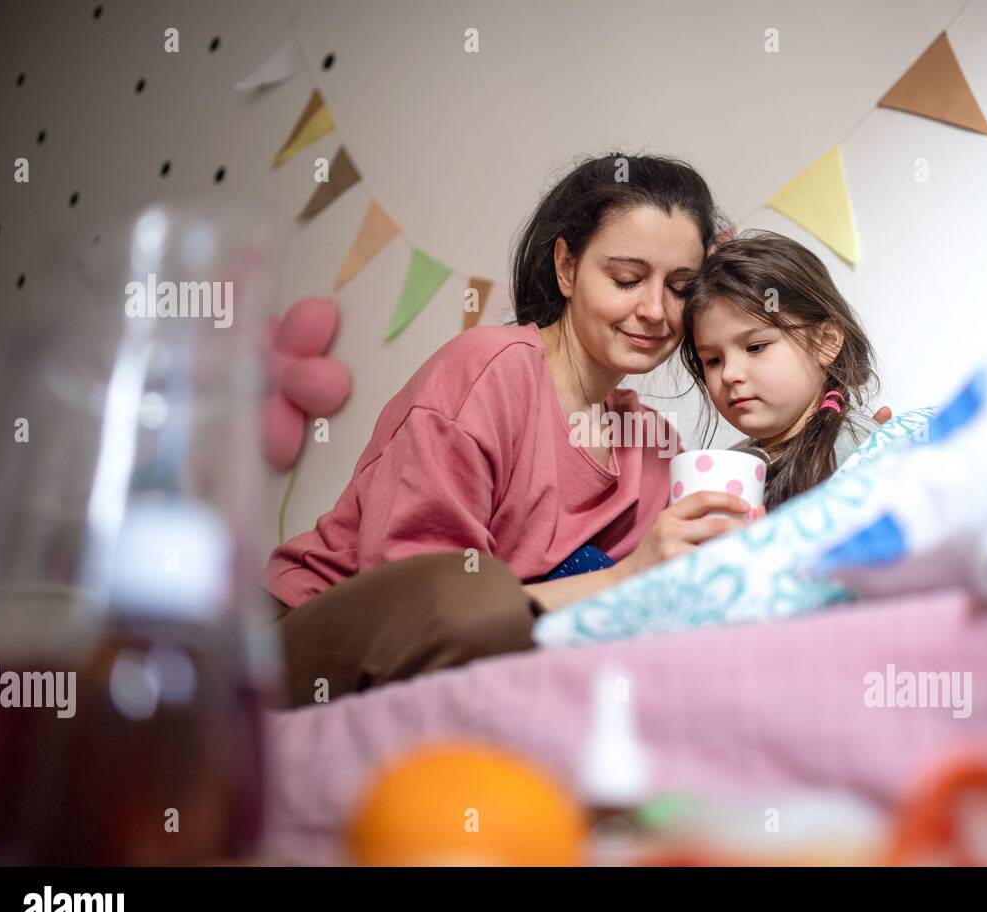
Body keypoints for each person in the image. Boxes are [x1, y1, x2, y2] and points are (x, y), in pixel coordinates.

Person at [264, 153, 763, 708]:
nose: (654, 309)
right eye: (626, 279)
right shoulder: (487, 369)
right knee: (473, 595)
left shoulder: (650, 445)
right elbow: (426, 604)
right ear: (567, 269)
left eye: (679, 287)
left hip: (478, 646)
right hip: (309, 637)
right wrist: (621, 579)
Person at [680, 230, 883, 510]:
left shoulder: (860, 449)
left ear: (825, 342)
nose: (729, 374)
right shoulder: (731, 465)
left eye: (756, 347)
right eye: (713, 360)